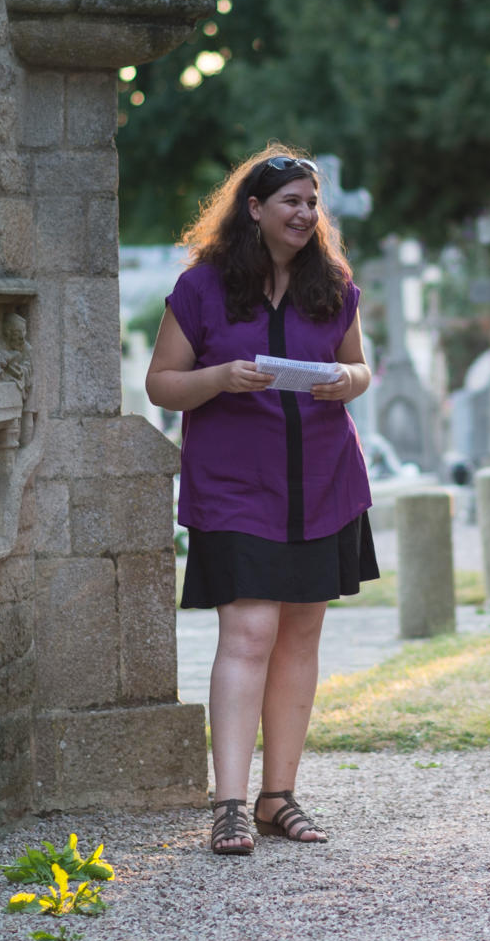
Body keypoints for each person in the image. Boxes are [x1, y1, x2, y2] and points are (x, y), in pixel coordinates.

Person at [146, 147, 378, 857]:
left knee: (301, 639)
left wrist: (348, 379)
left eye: (313, 203)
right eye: (292, 202)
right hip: (235, 489)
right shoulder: (203, 288)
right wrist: (219, 377)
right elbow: (162, 384)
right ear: (254, 209)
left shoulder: (332, 284)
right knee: (247, 636)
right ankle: (229, 805)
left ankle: (278, 797)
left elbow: (361, 365)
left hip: (323, 484)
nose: (306, 214)